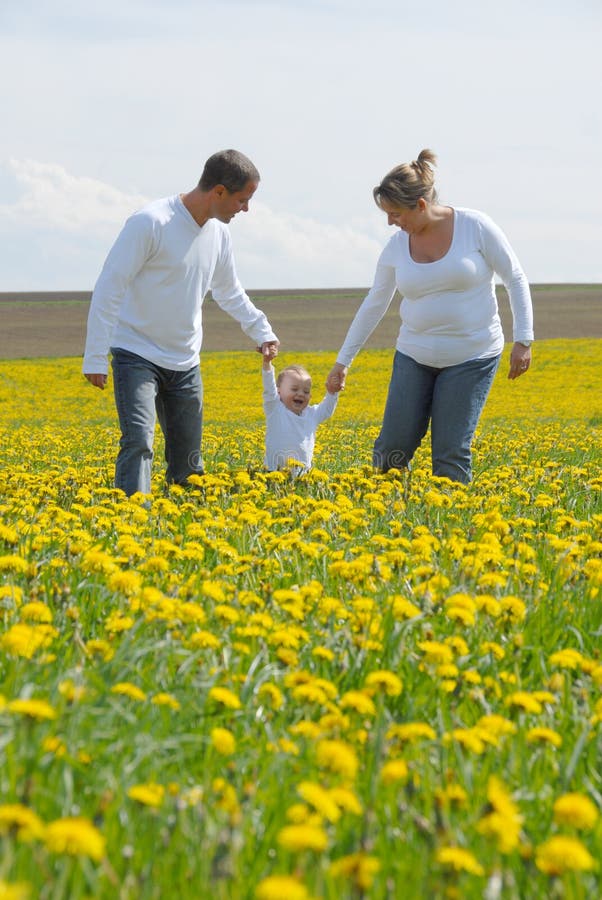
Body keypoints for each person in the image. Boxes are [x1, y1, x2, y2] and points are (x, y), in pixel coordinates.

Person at [327, 149, 533, 484]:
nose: (391, 222)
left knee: (450, 453)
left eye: (395, 214)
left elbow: (515, 277)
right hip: (414, 356)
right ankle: (382, 515)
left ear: (420, 205)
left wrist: (523, 339)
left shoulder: (475, 227)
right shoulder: (396, 247)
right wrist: (342, 361)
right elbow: (374, 304)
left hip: (472, 357)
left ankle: (452, 525)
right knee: (391, 448)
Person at [83, 149, 279, 496]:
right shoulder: (151, 222)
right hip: (135, 353)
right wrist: (95, 355)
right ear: (219, 191)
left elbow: (228, 291)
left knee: (189, 463)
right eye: (242, 200)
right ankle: (131, 520)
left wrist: (261, 330)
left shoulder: (219, 235)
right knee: (140, 442)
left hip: (186, 362)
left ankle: (184, 527)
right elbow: (110, 286)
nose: (245, 209)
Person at [262, 348, 339, 474]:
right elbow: (269, 389)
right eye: (294, 389)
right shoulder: (275, 409)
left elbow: (327, 410)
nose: (300, 394)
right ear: (278, 391)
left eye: (306, 391)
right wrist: (267, 364)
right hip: (272, 472)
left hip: (302, 475)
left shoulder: (311, 414)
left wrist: (332, 392)